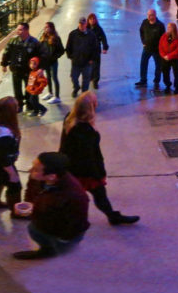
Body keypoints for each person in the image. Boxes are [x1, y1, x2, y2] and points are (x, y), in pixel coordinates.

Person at [59, 93, 139, 226]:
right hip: (85, 172)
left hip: (70, 167)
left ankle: (111, 216)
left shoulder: (69, 119)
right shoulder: (85, 131)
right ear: (91, 107)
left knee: (74, 196)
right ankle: (112, 217)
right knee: (98, 195)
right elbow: (89, 156)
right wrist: (99, 174)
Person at [10, 151, 91, 260]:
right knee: (34, 229)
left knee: (41, 235)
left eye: (35, 169)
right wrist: (29, 205)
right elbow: (30, 191)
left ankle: (51, 251)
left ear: (52, 177)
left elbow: (76, 223)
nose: (30, 170)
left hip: (62, 233)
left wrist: (64, 239)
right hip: (45, 221)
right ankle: (47, 248)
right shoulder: (38, 178)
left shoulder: (74, 195)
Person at [136, 10, 162, 88]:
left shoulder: (160, 25)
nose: (149, 17)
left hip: (156, 49)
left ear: (155, 15)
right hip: (147, 48)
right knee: (143, 63)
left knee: (158, 65)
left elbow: (163, 38)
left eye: (151, 15)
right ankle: (143, 79)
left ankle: (157, 80)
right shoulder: (145, 22)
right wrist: (143, 42)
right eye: (148, 15)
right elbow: (141, 31)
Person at [156, 22, 178, 94]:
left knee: (177, 73)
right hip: (165, 58)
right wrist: (163, 55)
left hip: (175, 58)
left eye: (169, 27)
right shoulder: (164, 36)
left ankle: (177, 87)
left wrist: (169, 56)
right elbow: (160, 46)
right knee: (165, 72)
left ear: (173, 29)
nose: (168, 29)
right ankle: (167, 84)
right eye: (167, 27)